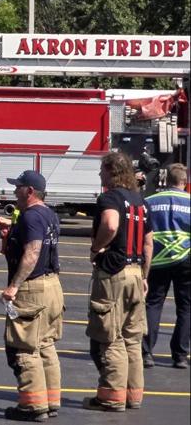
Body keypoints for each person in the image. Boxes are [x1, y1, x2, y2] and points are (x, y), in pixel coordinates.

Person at [84, 151, 154, 412]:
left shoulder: (110, 198)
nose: (99, 174)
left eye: (102, 170)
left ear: (112, 172)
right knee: (132, 339)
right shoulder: (141, 202)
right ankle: (133, 395)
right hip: (135, 272)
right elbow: (148, 243)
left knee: (110, 337)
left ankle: (111, 397)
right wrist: (144, 275)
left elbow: (111, 225)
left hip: (114, 273)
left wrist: (96, 248)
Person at [0, 170, 63, 422]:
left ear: (30, 191)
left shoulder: (31, 217)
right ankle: (50, 400)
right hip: (52, 286)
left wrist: (14, 286)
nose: (14, 191)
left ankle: (33, 406)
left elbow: (33, 251)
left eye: (18, 187)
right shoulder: (48, 214)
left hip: (32, 288)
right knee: (45, 345)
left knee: (24, 347)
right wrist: (10, 234)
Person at [142, 163, 189, 369]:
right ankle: (180, 355)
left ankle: (146, 352)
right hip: (185, 259)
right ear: (184, 181)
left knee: (153, 304)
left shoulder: (150, 201)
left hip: (157, 259)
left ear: (165, 180)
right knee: (186, 307)